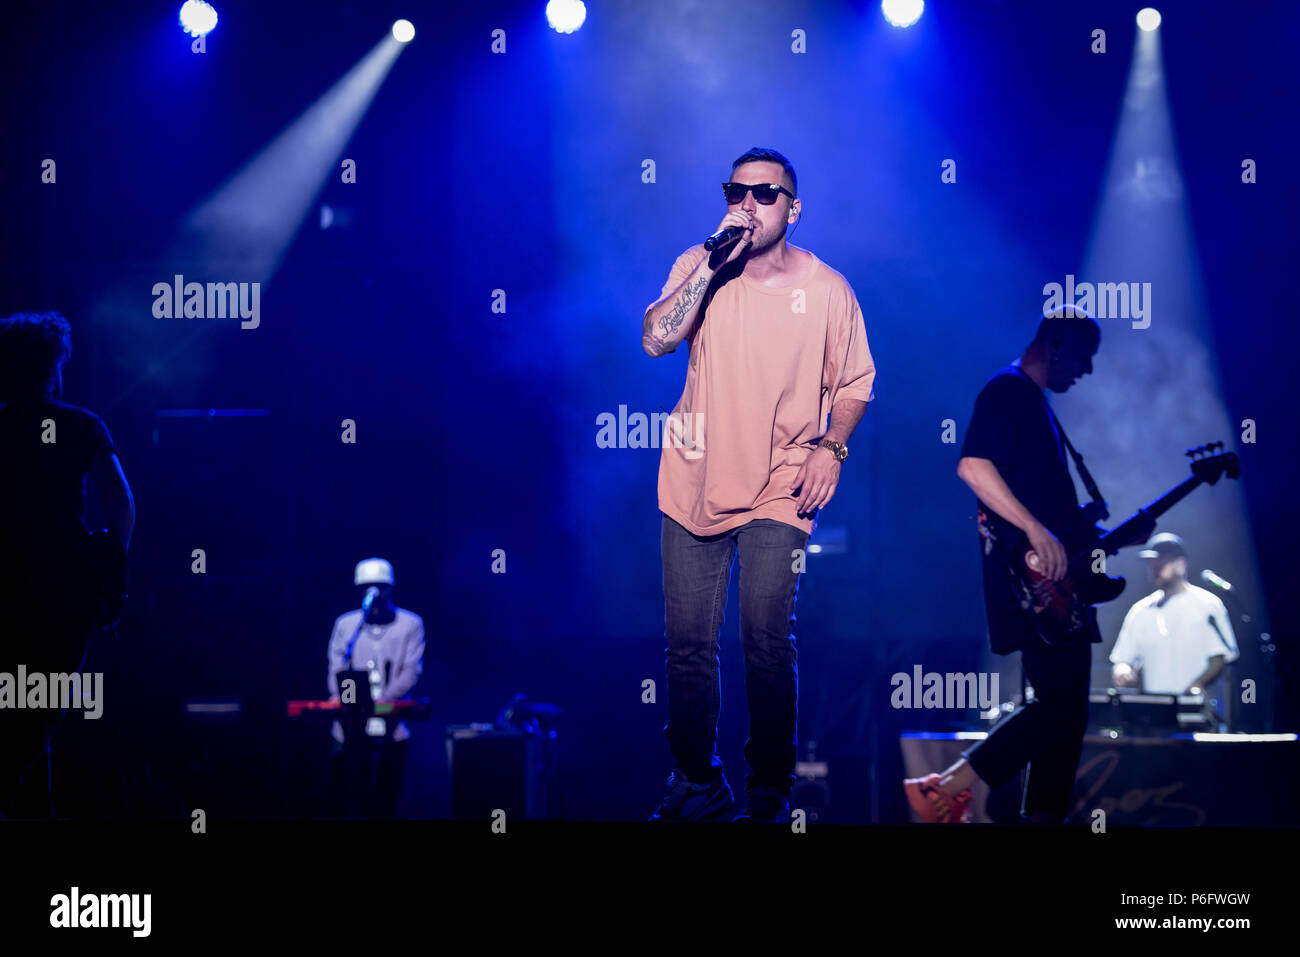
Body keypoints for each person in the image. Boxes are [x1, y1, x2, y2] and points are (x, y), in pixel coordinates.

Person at [642, 147, 876, 822]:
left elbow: (857, 380)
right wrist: (712, 264)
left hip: (781, 480)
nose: (747, 203)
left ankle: (770, 788)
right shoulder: (701, 263)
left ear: (793, 209)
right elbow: (656, 338)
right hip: (694, 475)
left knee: (766, 633)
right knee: (688, 642)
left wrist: (831, 447)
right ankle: (696, 779)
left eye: (765, 194)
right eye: (736, 191)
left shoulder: (827, 288)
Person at [904, 307, 1146, 825]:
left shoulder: (1036, 405)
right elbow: (972, 465)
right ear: (1054, 345)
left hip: (1060, 584)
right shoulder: (1007, 390)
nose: (1086, 371)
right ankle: (945, 787)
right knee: (1060, 706)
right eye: (1083, 357)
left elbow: (1058, 523)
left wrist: (1109, 541)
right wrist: (1035, 531)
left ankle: (1038, 818)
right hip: (1034, 584)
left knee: (1068, 712)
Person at [0, 311, 135, 817]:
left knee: (20, 715)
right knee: (38, 715)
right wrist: (111, 572)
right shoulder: (78, 424)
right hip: (61, 596)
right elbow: (120, 500)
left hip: (7, 594)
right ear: (55, 366)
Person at [325, 558, 424, 819]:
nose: (374, 593)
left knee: (386, 798)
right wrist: (351, 704)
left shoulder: (410, 624)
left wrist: (383, 702)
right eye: (367, 587)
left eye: (380, 586)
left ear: (391, 588)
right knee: (346, 797)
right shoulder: (347, 625)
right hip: (348, 730)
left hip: (392, 731)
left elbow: (411, 671)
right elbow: (336, 666)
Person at [1110, 533, 1238, 707]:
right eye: (1151, 565)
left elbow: (1220, 657)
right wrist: (1122, 670)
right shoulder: (1140, 611)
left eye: (1161, 564)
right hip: (1155, 711)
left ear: (1180, 565)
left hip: (1199, 709)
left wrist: (1197, 684)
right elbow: (1123, 659)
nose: (1155, 570)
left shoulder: (1207, 604)